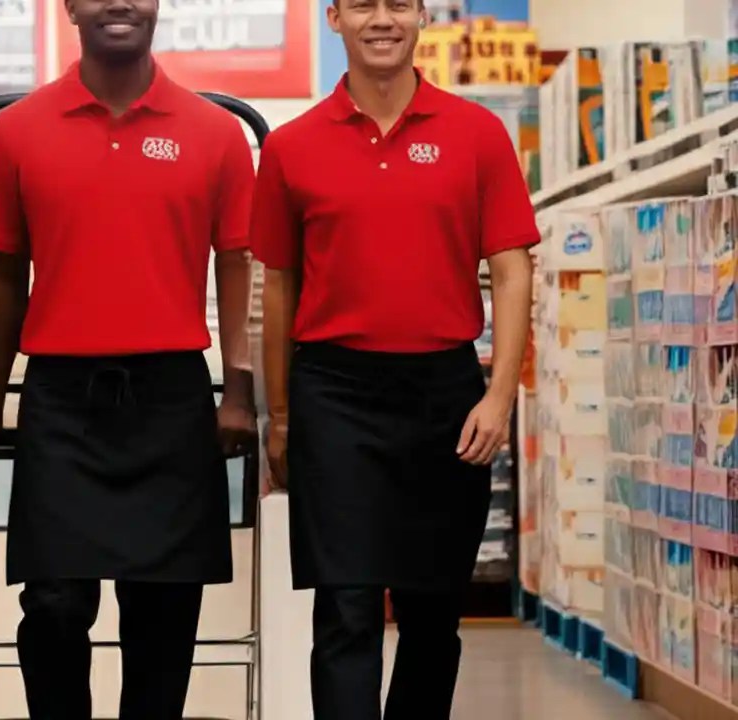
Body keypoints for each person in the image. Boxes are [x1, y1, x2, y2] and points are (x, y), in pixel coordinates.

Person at [0, 0, 259, 714]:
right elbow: (3, 271)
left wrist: (238, 392)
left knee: (164, 612)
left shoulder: (214, 133)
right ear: (70, 7)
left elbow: (236, 264)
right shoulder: (19, 130)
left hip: (172, 396)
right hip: (61, 397)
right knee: (53, 603)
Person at [250, 1, 537, 719]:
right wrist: (280, 416)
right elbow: (279, 284)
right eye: (363, 5)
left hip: (444, 391)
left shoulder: (478, 134)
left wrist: (498, 396)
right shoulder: (291, 146)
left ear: (420, 18)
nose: (383, 20)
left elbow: (511, 268)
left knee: (433, 612)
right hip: (333, 392)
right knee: (344, 607)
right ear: (334, 19)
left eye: (400, 4)